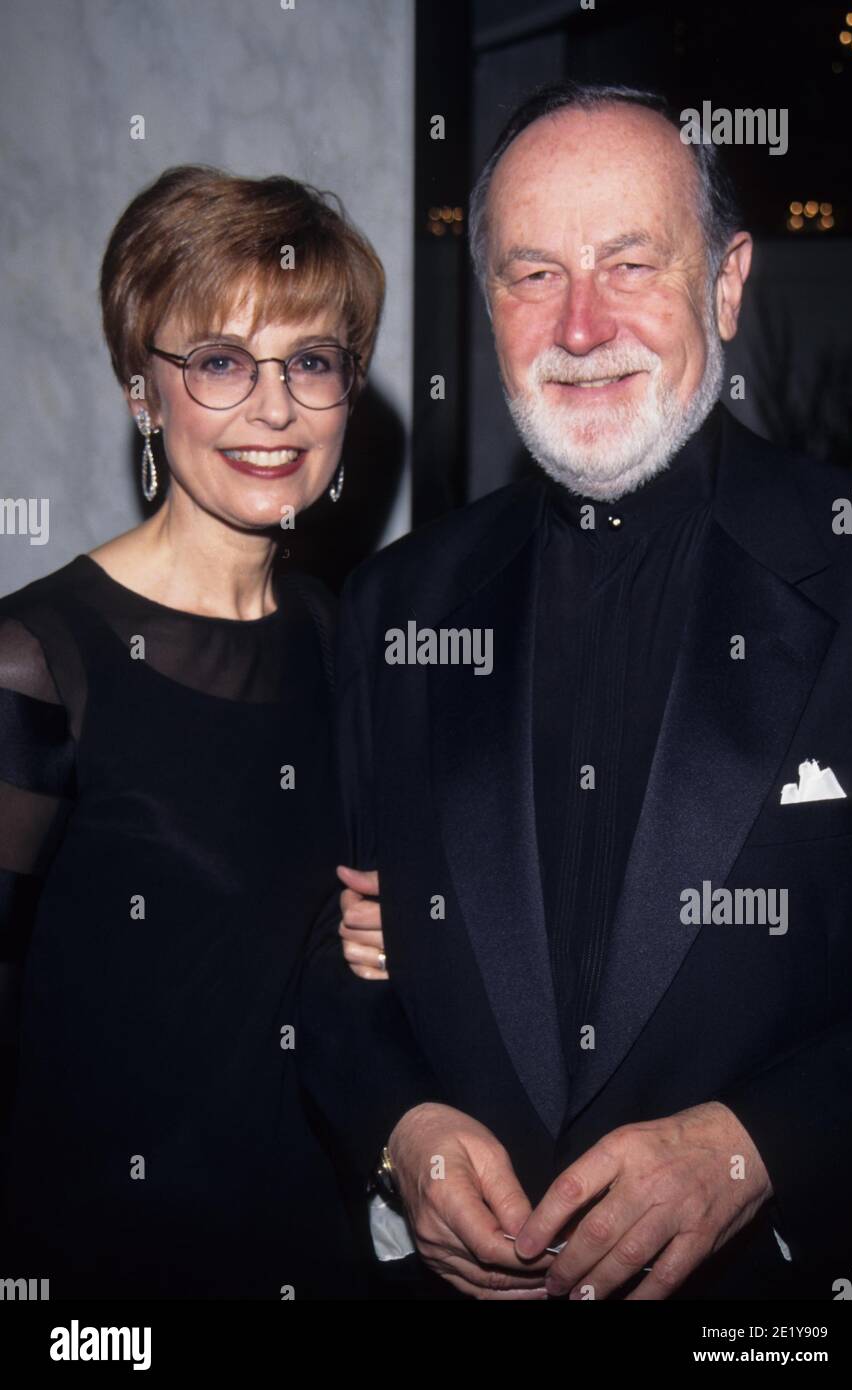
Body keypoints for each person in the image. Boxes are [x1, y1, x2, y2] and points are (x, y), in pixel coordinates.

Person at [298, 81, 852, 1300]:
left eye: (628, 263)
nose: (578, 325)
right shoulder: (396, 604)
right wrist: (398, 1132)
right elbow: (331, 968)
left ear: (723, 284)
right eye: (530, 274)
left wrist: (755, 1145)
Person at [0, 164, 387, 1299]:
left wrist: (395, 937)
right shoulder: (34, 664)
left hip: (315, 1255)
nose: (273, 410)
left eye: (310, 362)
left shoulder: (343, 637)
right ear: (142, 391)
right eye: (219, 361)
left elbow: (325, 933)